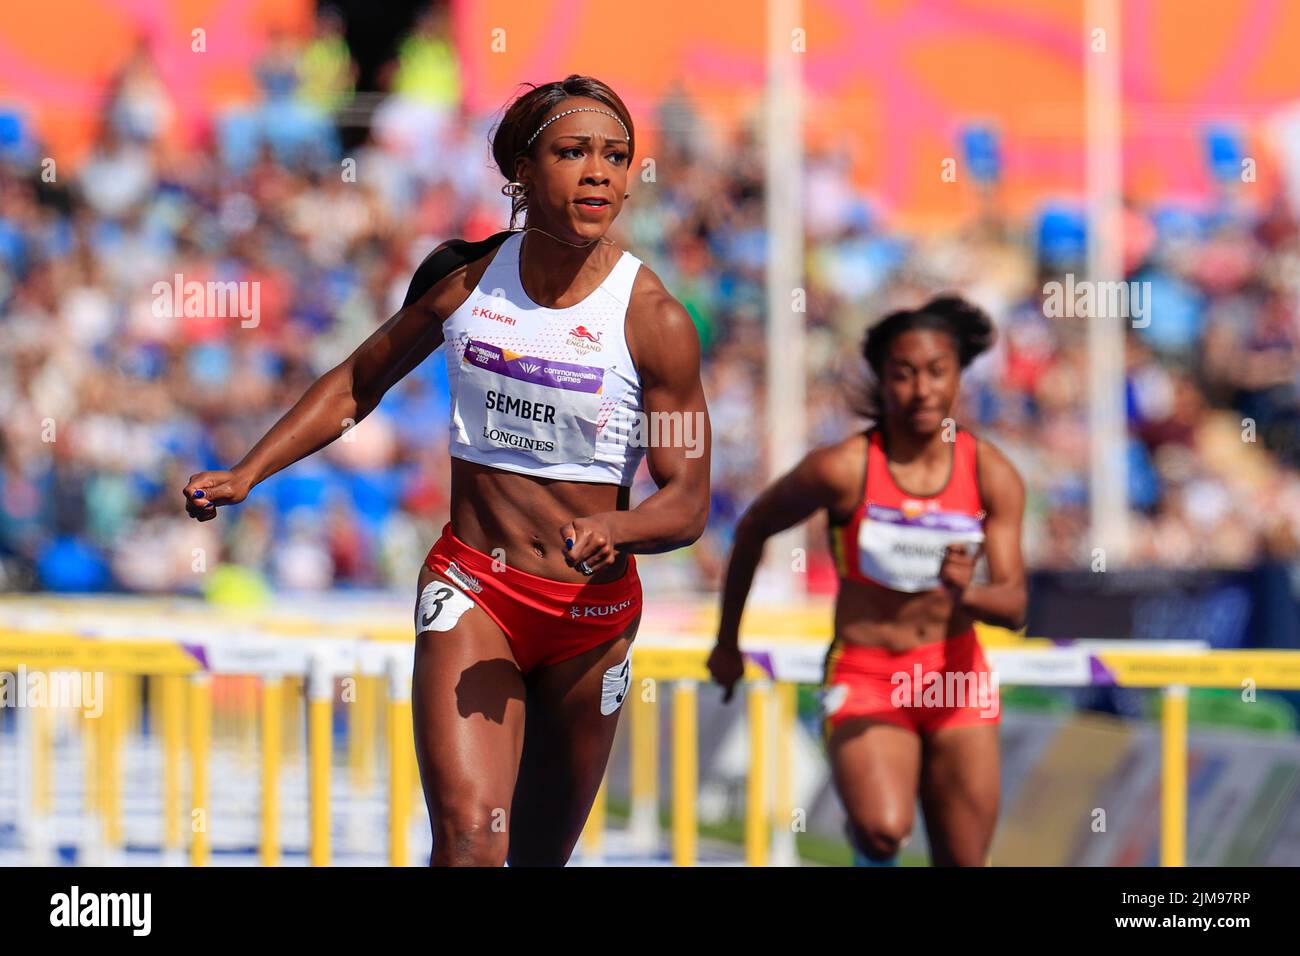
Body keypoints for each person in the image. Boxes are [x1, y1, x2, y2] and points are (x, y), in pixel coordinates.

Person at [183, 74, 712, 866]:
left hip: (589, 622)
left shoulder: (657, 322)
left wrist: (617, 526)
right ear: (521, 174)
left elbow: (689, 501)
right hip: (475, 590)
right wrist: (248, 471)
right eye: (573, 153)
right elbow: (360, 382)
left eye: (617, 156)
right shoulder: (462, 280)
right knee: (469, 847)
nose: (600, 172)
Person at [707, 295, 1025, 866]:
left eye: (936, 373)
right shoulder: (844, 469)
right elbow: (752, 528)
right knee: (883, 828)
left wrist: (965, 593)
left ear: (958, 379)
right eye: (903, 374)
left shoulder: (989, 473)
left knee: (965, 861)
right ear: (881, 381)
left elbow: (1014, 606)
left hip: (955, 677)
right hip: (867, 672)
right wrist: (727, 642)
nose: (922, 390)